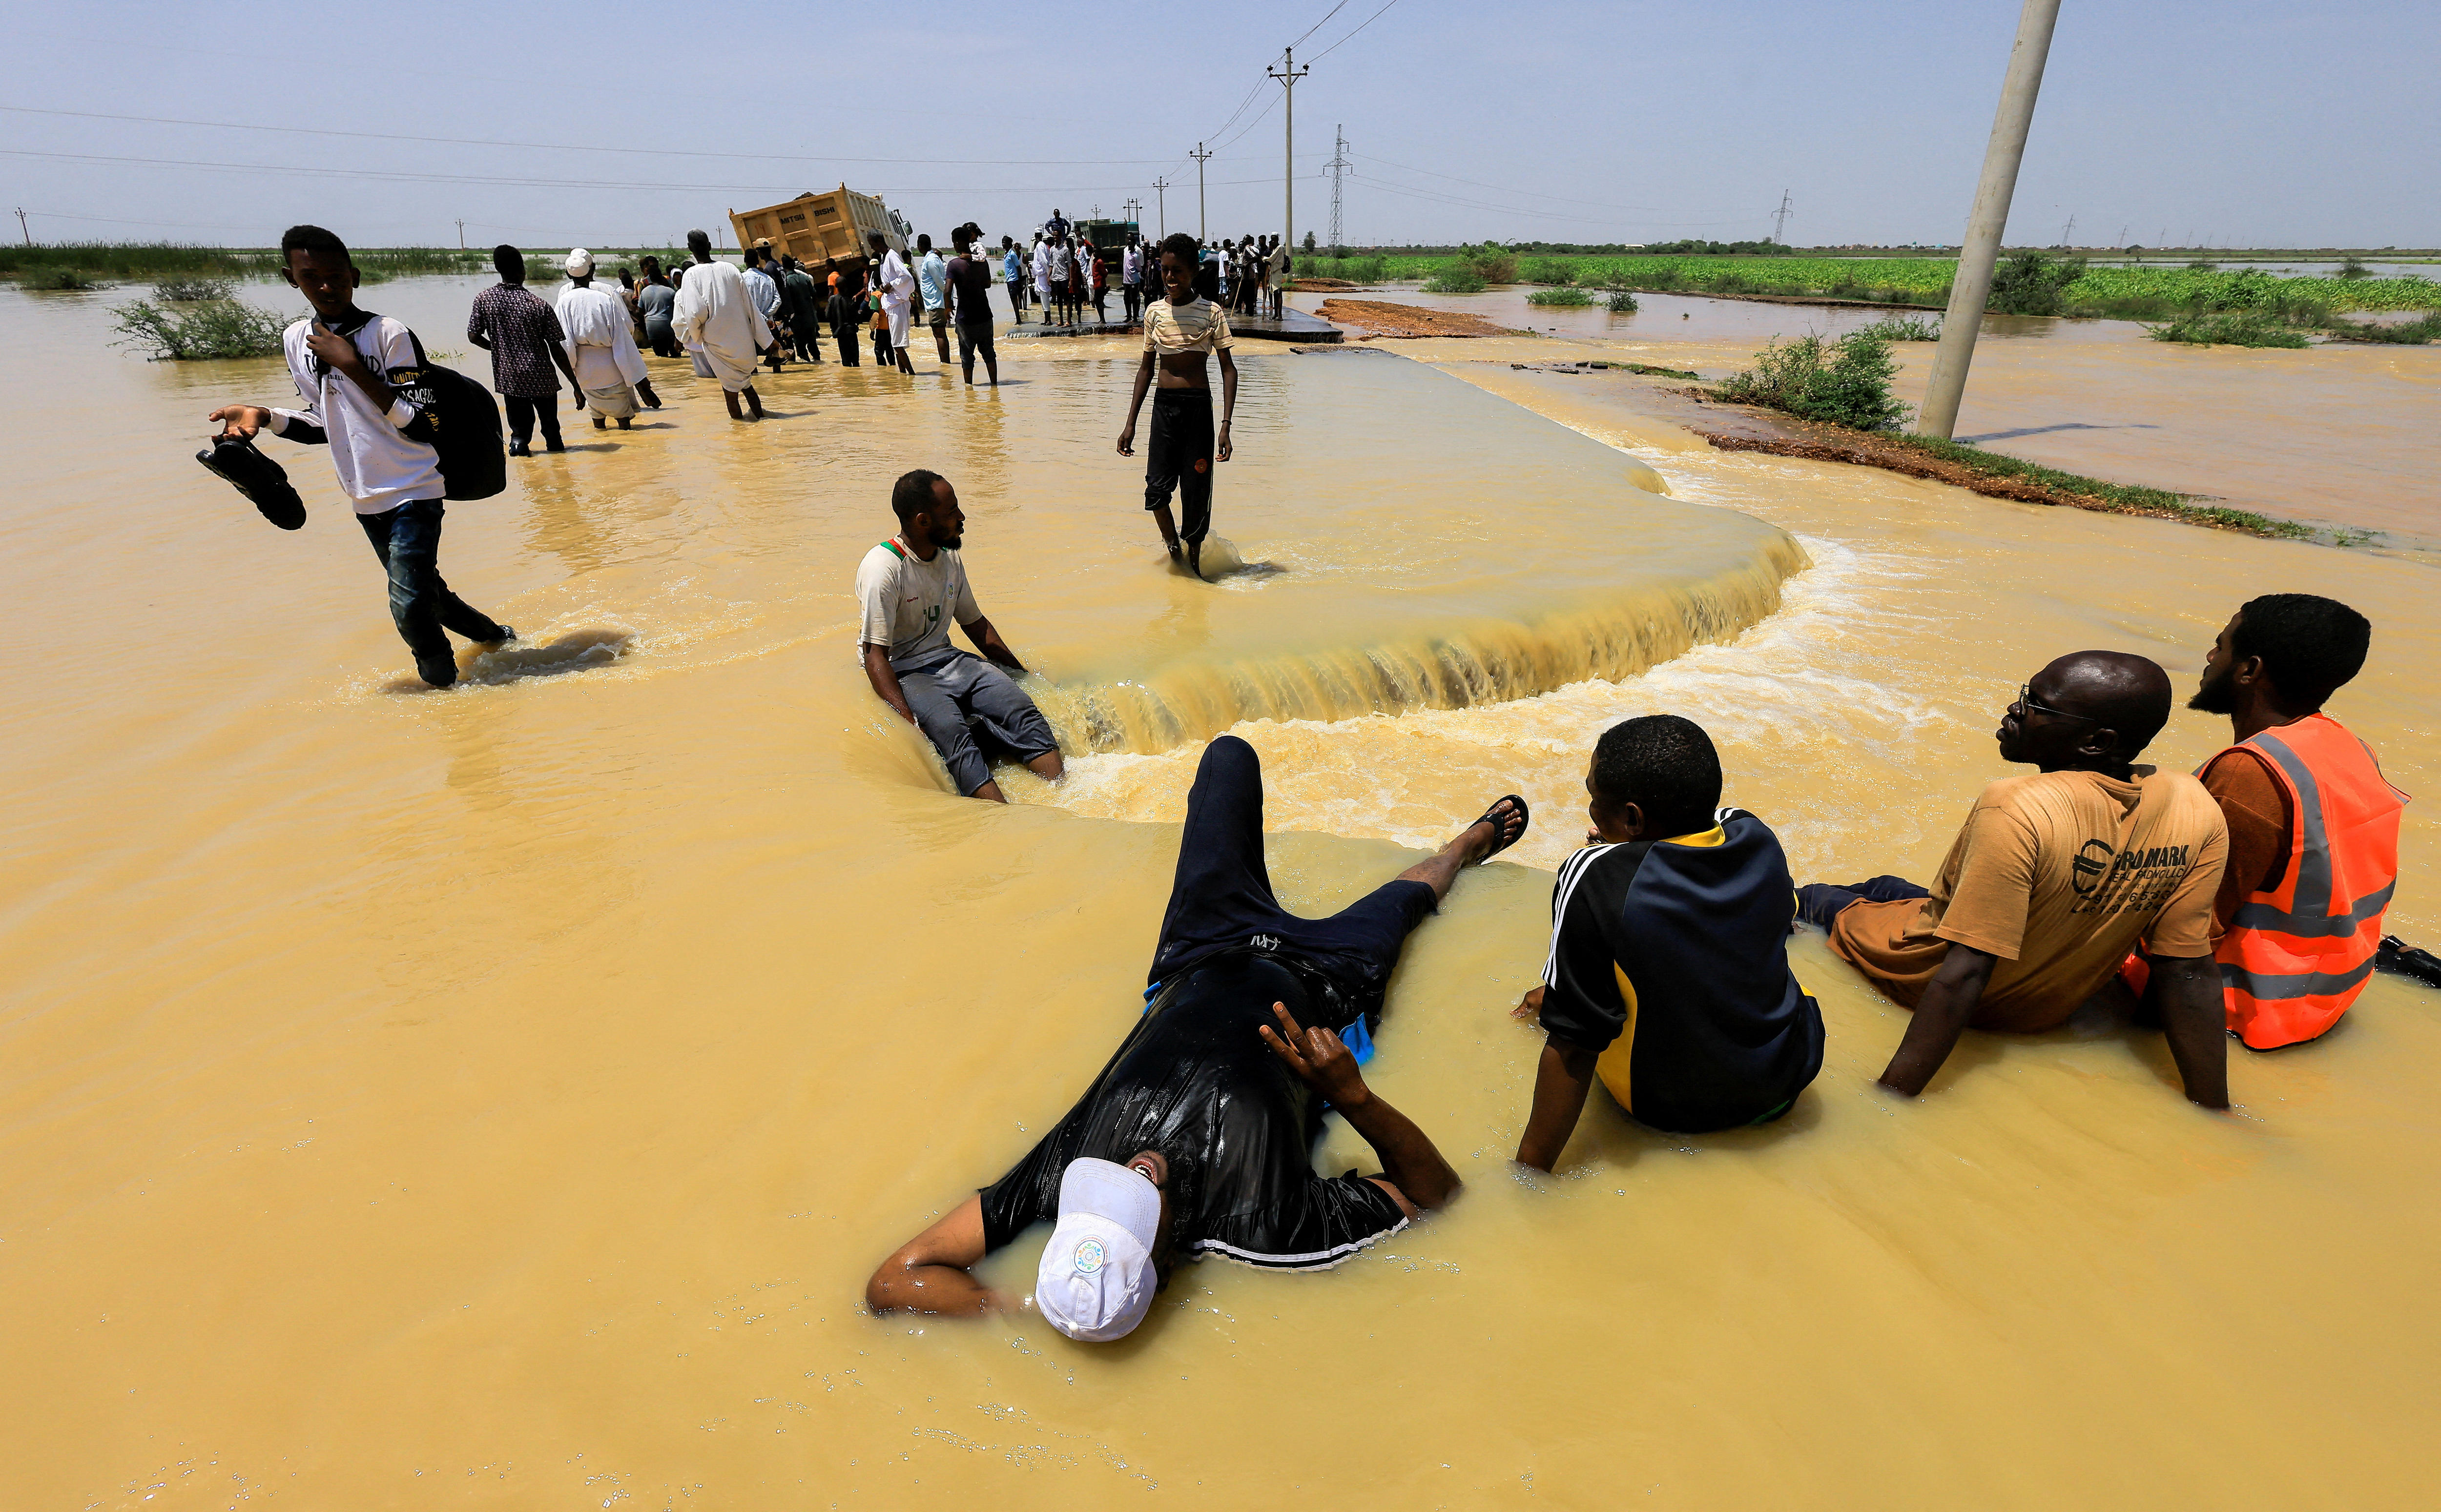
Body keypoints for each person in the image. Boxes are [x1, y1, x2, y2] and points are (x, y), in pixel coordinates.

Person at [864, 735, 1527, 1338]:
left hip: (1201, 949)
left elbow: (895, 1278)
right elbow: (1438, 1195)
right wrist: (1353, 1096)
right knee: (1405, 901)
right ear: (1165, 1257)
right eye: (1138, 1201)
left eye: (1104, 1192)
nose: (1132, 1171)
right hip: (1328, 985)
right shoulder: (1265, 1225)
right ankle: (1464, 847)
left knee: (1228, 758)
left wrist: (1016, 1309)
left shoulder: (1064, 1176)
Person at [1797, 653, 2231, 1107]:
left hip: (1925, 977)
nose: (2016, 710)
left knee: (1816, 899)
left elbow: (1966, 972)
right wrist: (2213, 1108)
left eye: (2038, 705)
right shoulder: (2194, 804)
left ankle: (1799, 907)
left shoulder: (2015, 807)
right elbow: (2186, 968)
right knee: (1885, 884)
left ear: (2096, 741)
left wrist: (1894, 1097)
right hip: (2047, 1008)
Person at [1510, 716, 1825, 1169]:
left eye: (1595, 798)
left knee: (1584, 1010)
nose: (1592, 809)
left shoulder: (1593, 879)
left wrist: (1528, 1174)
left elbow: (1577, 1044)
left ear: (1633, 818)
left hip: (1675, 1113)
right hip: (1787, 1083)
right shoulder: (1755, 835)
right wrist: (1628, 845)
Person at [207, 225, 513, 689]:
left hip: (414, 487)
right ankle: (497, 638)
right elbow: (323, 424)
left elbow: (422, 424)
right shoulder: (295, 340)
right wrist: (264, 416)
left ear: (355, 276)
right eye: (312, 278)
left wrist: (352, 365)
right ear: (291, 278)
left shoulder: (388, 334)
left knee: (407, 604)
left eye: (336, 277)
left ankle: (446, 692)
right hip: (364, 496)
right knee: (427, 592)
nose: (327, 287)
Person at [2171, 595, 2404, 1049]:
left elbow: (2190, 935)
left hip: (2236, 1017)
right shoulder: (2348, 748)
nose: (2210, 657)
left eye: (2221, 646)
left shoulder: (2249, 772)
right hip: (2321, 1006)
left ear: (2249, 670)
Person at [856, 471, 1061, 803]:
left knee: (1020, 706)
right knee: (952, 733)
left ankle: (1065, 793)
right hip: (906, 670)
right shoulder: (884, 569)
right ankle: (1002, 818)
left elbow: (975, 624)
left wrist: (1023, 675)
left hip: (947, 658)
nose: (962, 518)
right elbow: (875, 656)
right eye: (952, 512)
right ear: (923, 521)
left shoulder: (949, 557)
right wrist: (909, 724)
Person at [1118, 232, 1239, 575]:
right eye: (1165, 270)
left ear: (1194, 272)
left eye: (1178, 271)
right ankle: (1175, 553)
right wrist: (1131, 424)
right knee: (1156, 491)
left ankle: (1195, 568)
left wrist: (1226, 426)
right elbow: (1145, 371)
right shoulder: (1154, 312)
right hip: (1164, 408)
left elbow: (1229, 371)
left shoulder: (1211, 312)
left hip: (1199, 411)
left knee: (1196, 492)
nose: (1171, 278)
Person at [466, 244, 579, 457]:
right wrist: (575, 385)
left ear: (499, 269)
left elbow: (473, 336)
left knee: (518, 432)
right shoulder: (538, 305)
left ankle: (524, 468)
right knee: (551, 429)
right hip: (541, 376)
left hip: (510, 377)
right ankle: (562, 474)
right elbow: (556, 349)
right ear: (522, 271)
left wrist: (497, 348)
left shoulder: (485, 300)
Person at [671, 229, 770, 421]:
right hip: (742, 341)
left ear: (690, 249)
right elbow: (751, 307)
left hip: (717, 344)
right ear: (710, 246)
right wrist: (767, 341)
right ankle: (762, 423)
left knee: (730, 392)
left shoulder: (690, 275)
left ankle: (741, 434)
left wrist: (698, 336)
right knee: (747, 384)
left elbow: (695, 312)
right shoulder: (731, 268)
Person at [555, 250, 659, 430]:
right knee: (623, 414)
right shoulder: (605, 298)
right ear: (590, 271)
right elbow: (623, 335)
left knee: (596, 413)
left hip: (583, 368)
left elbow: (565, 342)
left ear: (567, 274)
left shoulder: (563, 301)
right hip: (610, 364)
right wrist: (635, 375)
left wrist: (573, 372)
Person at [946, 231, 1000, 387]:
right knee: (989, 353)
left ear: (957, 243)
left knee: (967, 357)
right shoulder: (982, 262)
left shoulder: (954, 265)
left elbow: (947, 291)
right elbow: (988, 284)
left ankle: (969, 390)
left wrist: (948, 308)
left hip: (965, 318)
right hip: (984, 314)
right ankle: (994, 387)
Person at [869, 231, 917, 374]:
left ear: (878, 242)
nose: (872, 248)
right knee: (895, 344)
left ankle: (912, 375)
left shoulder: (892, 256)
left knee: (897, 345)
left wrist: (891, 285)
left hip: (898, 306)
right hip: (891, 305)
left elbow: (906, 277)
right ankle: (904, 376)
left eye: (872, 245)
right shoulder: (884, 257)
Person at [914, 233, 953, 365]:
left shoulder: (931, 261)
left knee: (940, 334)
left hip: (936, 302)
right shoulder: (931, 259)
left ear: (920, 246)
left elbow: (941, 283)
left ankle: (945, 363)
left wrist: (948, 299)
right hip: (934, 302)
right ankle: (945, 362)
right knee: (938, 334)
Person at [779, 255, 825, 363]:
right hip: (810, 318)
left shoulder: (787, 282)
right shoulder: (805, 278)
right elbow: (815, 296)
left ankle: (809, 368)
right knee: (813, 343)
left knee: (800, 346)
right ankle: (818, 363)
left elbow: (787, 302)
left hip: (797, 321)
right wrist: (813, 310)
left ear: (784, 267)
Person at [636, 259, 680, 358]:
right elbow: (677, 311)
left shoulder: (644, 291)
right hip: (668, 327)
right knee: (676, 355)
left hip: (652, 327)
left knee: (661, 356)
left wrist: (644, 328)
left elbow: (640, 311)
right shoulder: (671, 292)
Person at [825, 270, 862, 367]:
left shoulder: (832, 300)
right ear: (846, 287)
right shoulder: (850, 301)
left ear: (836, 287)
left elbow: (827, 316)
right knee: (856, 361)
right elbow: (857, 318)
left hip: (840, 333)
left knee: (845, 361)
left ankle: (847, 381)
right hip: (851, 332)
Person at [1003, 235, 1029, 321]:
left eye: (1005, 243)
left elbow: (1018, 267)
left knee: (1015, 299)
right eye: (1002, 243)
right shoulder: (1006, 254)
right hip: (1009, 280)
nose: (1003, 244)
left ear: (1010, 244)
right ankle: (1018, 318)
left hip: (1014, 280)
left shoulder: (1012, 255)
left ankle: (1018, 319)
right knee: (1013, 299)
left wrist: (1019, 280)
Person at [1121, 231, 1145, 324]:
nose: (1129, 242)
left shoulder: (1137, 252)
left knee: (1135, 299)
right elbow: (1125, 265)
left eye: (1130, 240)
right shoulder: (1125, 251)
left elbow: (1140, 267)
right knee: (1126, 298)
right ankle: (1129, 316)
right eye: (1128, 240)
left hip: (1135, 279)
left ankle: (1136, 316)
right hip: (1126, 280)